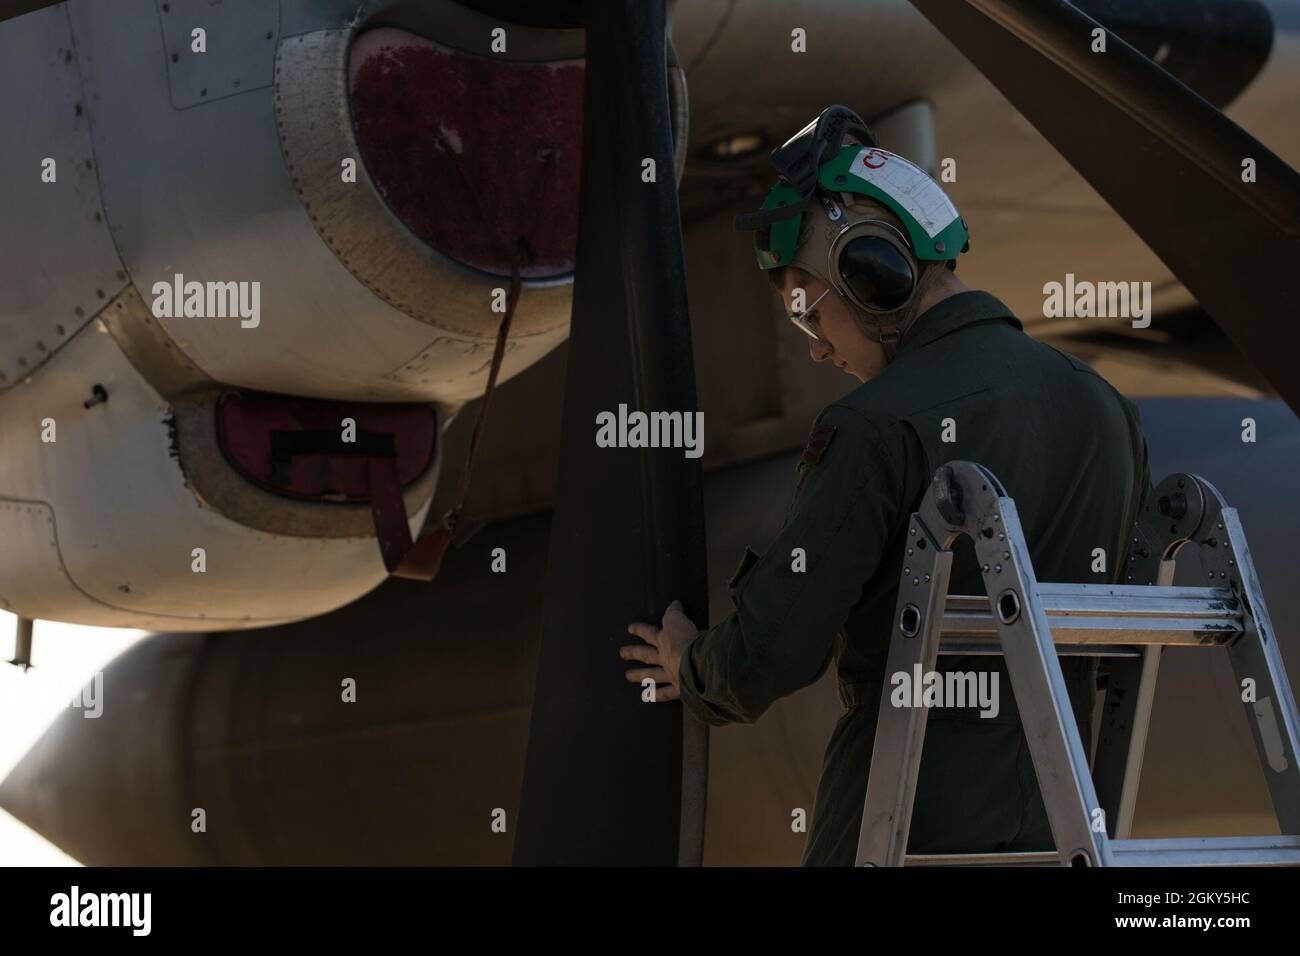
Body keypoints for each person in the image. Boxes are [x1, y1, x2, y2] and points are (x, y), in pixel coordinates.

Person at [618, 106, 1151, 865]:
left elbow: (764, 661)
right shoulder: (1106, 407)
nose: (816, 349)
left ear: (867, 269)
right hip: (1063, 830)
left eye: (809, 314)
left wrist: (692, 662)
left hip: (901, 822)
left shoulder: (874, 426)